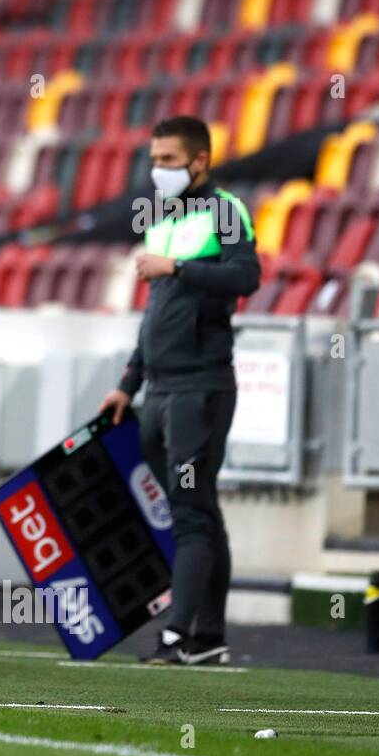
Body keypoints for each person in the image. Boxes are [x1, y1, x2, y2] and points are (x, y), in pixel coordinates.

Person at [98, 115, 259, 665]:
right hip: (160, 389)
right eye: (154, 159)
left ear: (200, 161)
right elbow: (155, 314)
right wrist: (128, 383)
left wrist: (180, 267)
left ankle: (177, 634)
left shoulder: (225, 211)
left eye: (168, 160)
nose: (157, 170)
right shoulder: (164, 220)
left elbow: (246, 276)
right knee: (198, 512)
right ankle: (208, 637)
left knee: (190, 511)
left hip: (202, 384)